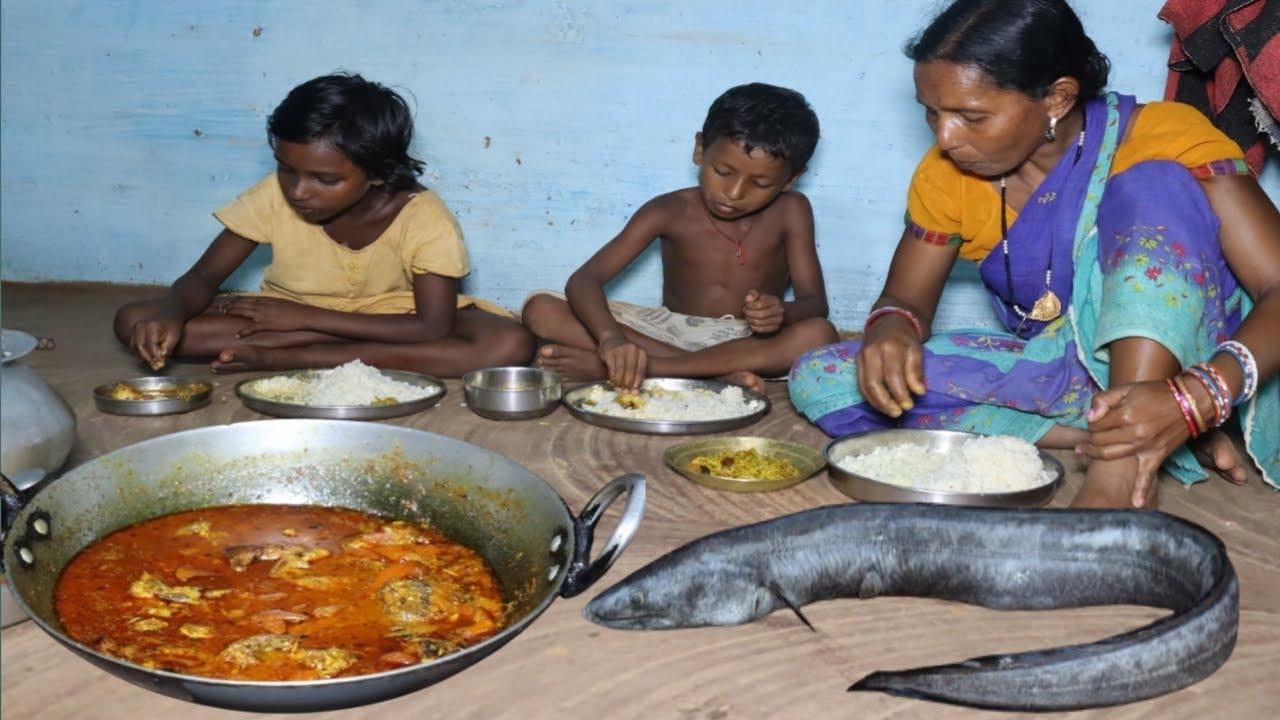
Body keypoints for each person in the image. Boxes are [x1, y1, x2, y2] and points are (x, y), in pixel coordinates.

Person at [788, 0, 1279, 509]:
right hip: (1067, 369)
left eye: (970, 116)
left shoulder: (1163, 137)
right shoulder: (947, 176)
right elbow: (905, 298)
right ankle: (1143, 431)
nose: (945, 137)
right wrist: (891, 328)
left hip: (1203, 360)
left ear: (1057, 99)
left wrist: (1198, 396)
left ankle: (1121, 467)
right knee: (826, 378)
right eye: (931, 113)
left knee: (1151, 185)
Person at [114, 72, 534, 377]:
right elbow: (205, 275)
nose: (298, 191)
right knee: (136, 320)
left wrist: (305, 320)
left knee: (509, 343)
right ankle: (343, 350)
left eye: (325, 180)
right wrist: (170, 311)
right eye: (286, 170)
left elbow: (431, 325)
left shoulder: (423, 217)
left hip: (393, 318)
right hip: (284, 317)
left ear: (378, 173)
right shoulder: (274, 195)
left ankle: (295, 356)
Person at [521, 82, 837, 394]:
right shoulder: (669, 210)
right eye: (723, 172)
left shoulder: (792, 211)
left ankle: (651, 370)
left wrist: (782, 313)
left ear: (791, 179)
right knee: (541, 308)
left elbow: (815, 303)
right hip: (667, 332)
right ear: (700, 149)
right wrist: (611, 339)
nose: (734, 192)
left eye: (761, 183)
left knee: (819, 334)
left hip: (747, 340)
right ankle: (712, 376)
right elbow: (584, 280)